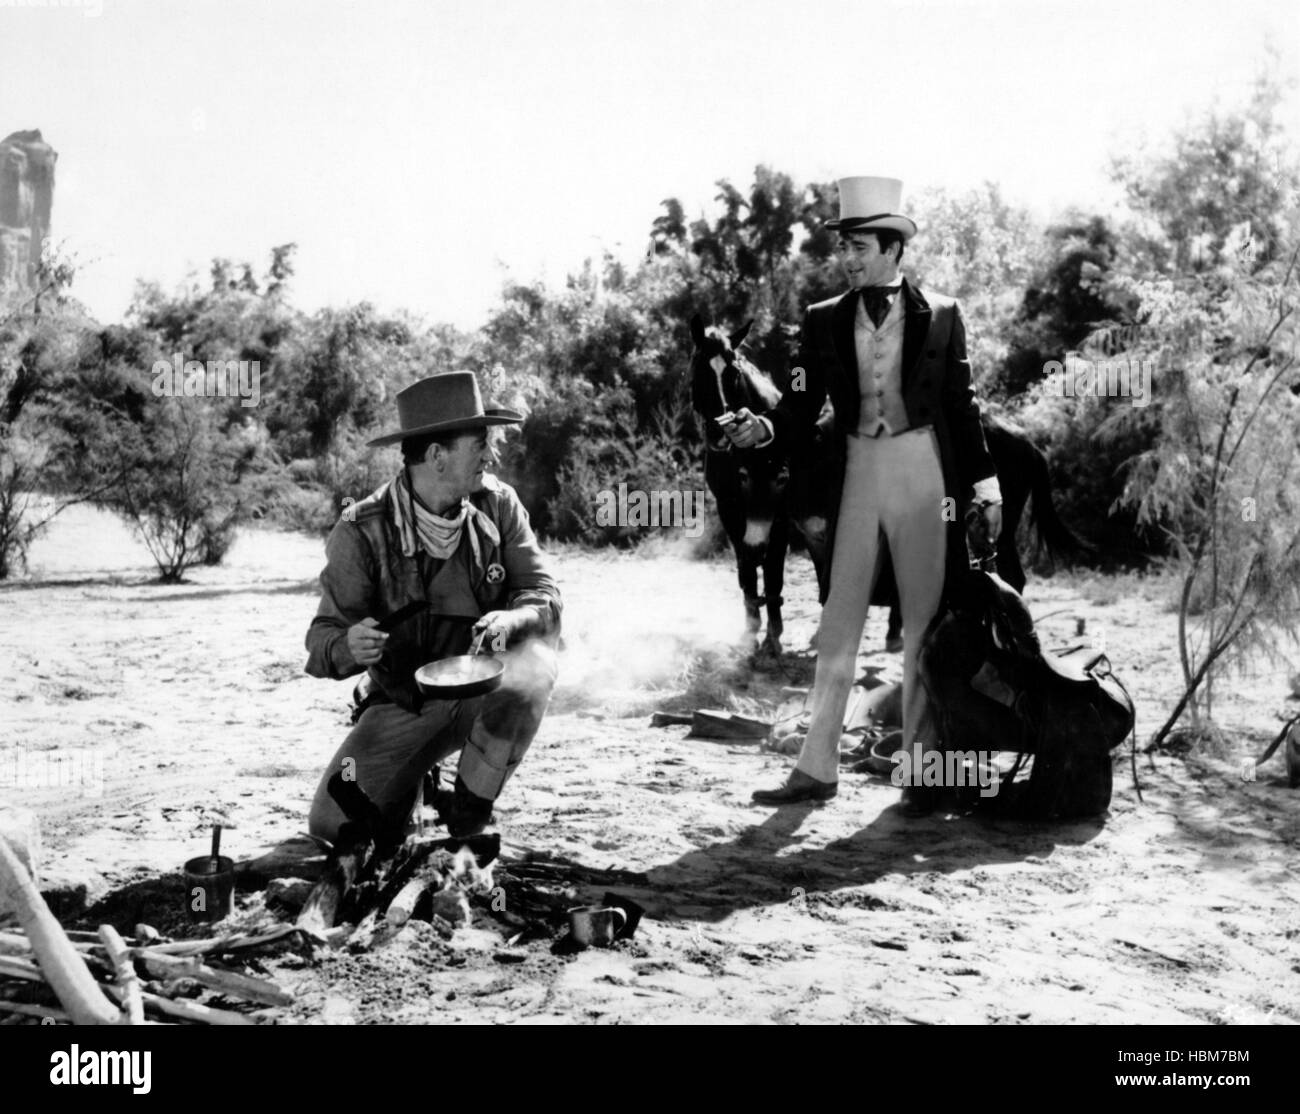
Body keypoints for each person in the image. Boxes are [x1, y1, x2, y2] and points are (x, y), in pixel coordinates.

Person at [725, 176, 1002, 815]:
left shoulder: (946, 314)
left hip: (925, 472)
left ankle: (924, 772)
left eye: (859, 246)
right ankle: (816, 769)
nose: (848, 259)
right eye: (843, 247)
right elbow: (797, 401)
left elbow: (964, 407)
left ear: (892, 247)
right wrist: (761, 428)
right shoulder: (822, 321)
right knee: (838, 624)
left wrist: (985, 485)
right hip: (858, 471)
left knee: (924, 626)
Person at [304, 372, 561, 842]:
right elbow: (321, 642)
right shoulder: (361, 530)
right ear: (438, 456)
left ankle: (467, 812)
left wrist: (512, 618)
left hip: (487, 697)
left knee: (537, 664)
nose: (491, 453)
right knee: (332, 825)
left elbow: (545, 598)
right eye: (479, 442)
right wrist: (349, 645)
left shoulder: (500, 506)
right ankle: (416, 790)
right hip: (404, 703)